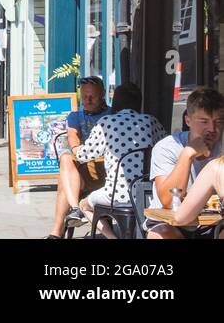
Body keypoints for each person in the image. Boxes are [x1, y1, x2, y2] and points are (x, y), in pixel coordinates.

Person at [73, 82, 166, 238]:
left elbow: (83, 155)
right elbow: (165, 145)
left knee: (84, 205)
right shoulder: (150, 121)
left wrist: (75, 148)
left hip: (116, 194)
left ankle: (112, 237)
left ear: (115, 102)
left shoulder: (106, 123)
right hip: (148, 194)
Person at [145, 87, 224, 239]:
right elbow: (168, 201)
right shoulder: (167, 147)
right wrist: (187, 155)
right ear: (188, 120)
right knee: (162, 235)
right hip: (170, 223)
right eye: (204, 121)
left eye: (219, 121)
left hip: (214, 223)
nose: (212, 129)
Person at [46, 76, 110, 238]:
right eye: (84, 96)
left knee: (63, 182)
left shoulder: (112, 114)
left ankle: (58, 231)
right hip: (85, 168)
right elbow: (73, 138)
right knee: (66, 158)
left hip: (108, 170)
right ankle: (75, 209)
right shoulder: (75, 116)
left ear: (102, 94)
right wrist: (78, 149)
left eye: (92, 96)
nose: (87, 100)